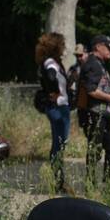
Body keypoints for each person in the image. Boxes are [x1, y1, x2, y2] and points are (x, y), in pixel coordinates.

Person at [78, 33, 110, 187]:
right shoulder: (93, 64)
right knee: (95, 151)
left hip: (102, 114)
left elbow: (98, 87)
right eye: (108, 47)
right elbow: (91, 90)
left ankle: (107, 184)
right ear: (98, 47)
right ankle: (90, 185)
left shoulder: (98, 63)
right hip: (94, 114)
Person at [35, 31, 71, 191]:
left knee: (59, 143)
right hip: (58, 107)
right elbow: (50, 76)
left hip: (58, 106)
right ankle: (58, 181)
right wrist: (54, 92)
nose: (64, 48)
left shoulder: (52, 61)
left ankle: (58, 179)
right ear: (56, 46)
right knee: (59, 143)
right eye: (62, 44)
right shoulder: (51, 62)